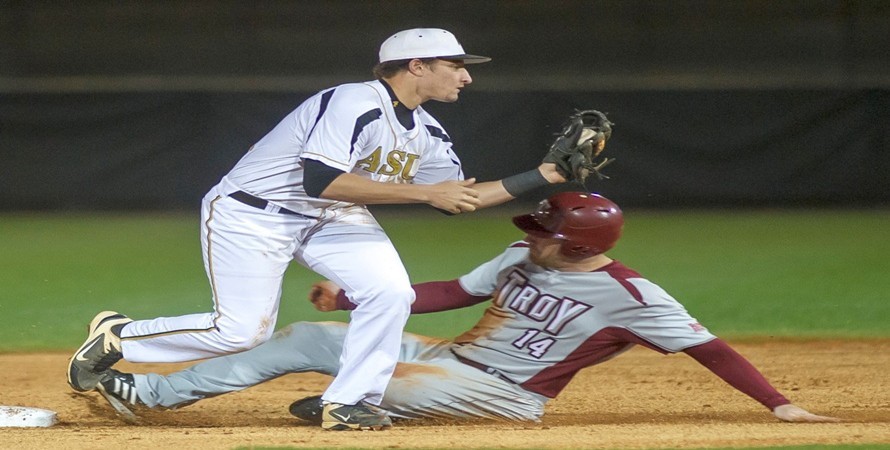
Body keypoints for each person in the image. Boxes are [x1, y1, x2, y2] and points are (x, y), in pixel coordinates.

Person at [67, 28, 574, 431]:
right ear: (416, 66)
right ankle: (121, 337)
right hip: (254, 212)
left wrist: (546, 175)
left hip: (330, 217)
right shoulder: (353, 100)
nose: (465, 76)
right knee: (241, 331)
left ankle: (350, 402)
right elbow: (323, 179)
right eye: (456, 65)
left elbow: (458, 198)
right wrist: (425, 193)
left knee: (390, 293)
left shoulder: (428, 133)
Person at [93, 192, 839, 426]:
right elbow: (453, 293)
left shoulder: (635, 299)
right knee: (312, 335)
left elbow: (710, 349)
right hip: (449, 359)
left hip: (504, 394)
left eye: (544, 234)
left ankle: (360, 409)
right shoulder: (523, 257)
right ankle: (148, 394)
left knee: (364, 384)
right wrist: (353, 298)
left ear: (578, 246)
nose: (529, 239)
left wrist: (778, 407)